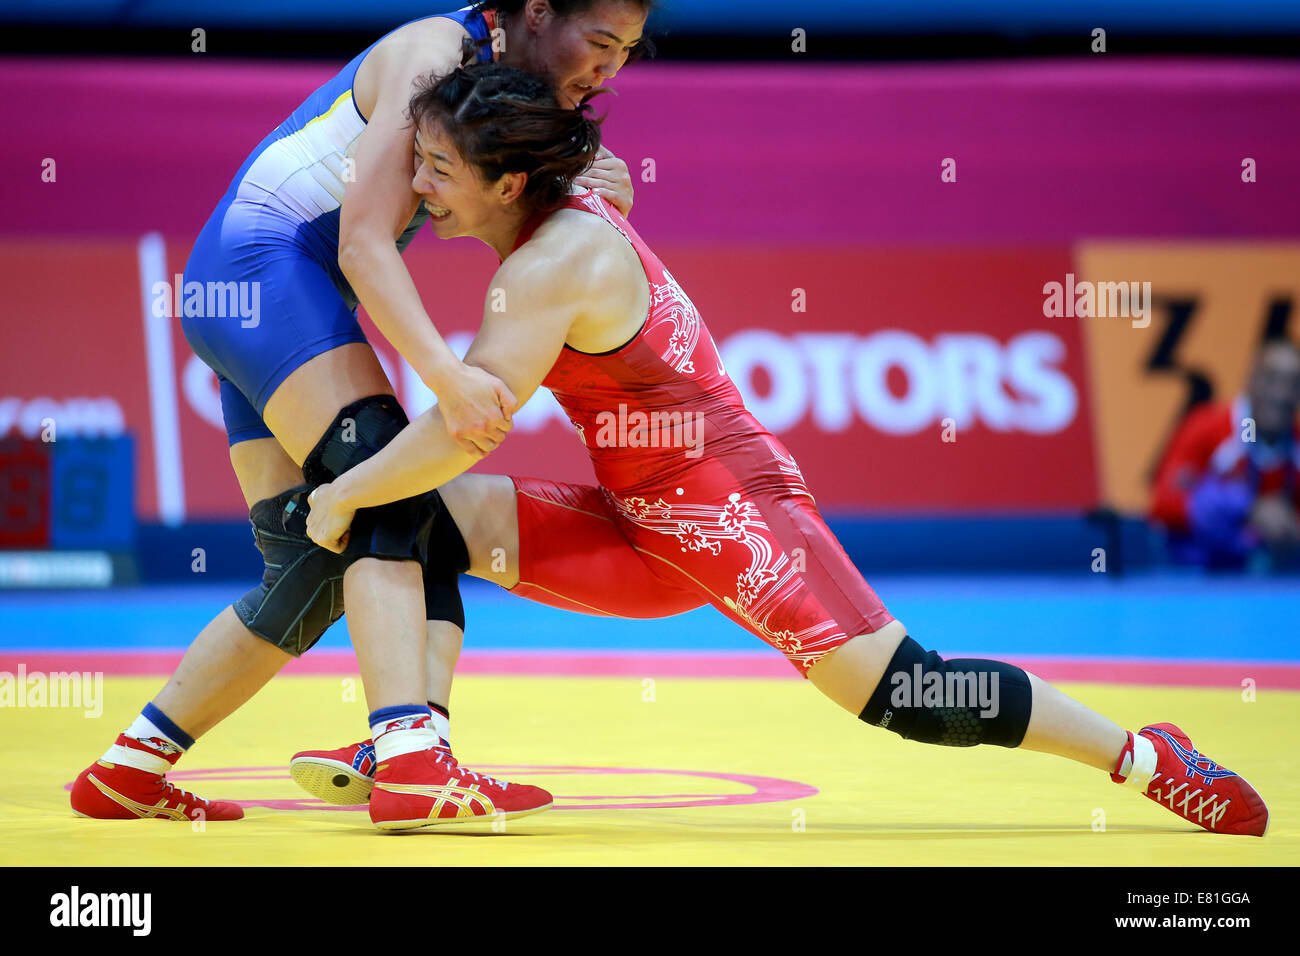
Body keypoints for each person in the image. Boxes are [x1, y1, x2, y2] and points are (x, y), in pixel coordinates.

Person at [295, 62, 1269, 837]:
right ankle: (415, 747)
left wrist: (338, 498)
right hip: (639, 524)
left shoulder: (549, 266)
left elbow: (465, 426)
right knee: (413, 517)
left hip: (731, 510)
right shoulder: (551, 213)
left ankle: (1144, 754)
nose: (414, 188)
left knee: (912, 693)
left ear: (507, 181)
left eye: (434, 168)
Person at [70, 0, 652, 830]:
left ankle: (130, 767)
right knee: (392, 494)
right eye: (599, 44)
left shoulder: (511, 88)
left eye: (626, 52)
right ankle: (412, 757)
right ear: (535, 12)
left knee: (309, 565)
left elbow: (518, 213)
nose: (608, 71)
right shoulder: (432, 52)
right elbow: (362, 245)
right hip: (266, 273)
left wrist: (595, 185)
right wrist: (446, 375)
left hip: (260, 293)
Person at [1151, 338, 1300, 570]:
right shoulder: (1206, 427)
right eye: (1272, 379)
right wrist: (1248, 509)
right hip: (1202, 580)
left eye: (1293, 383)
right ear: (1251, 380)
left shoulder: (1296, 443)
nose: (1281, 395)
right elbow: (1163, 503)